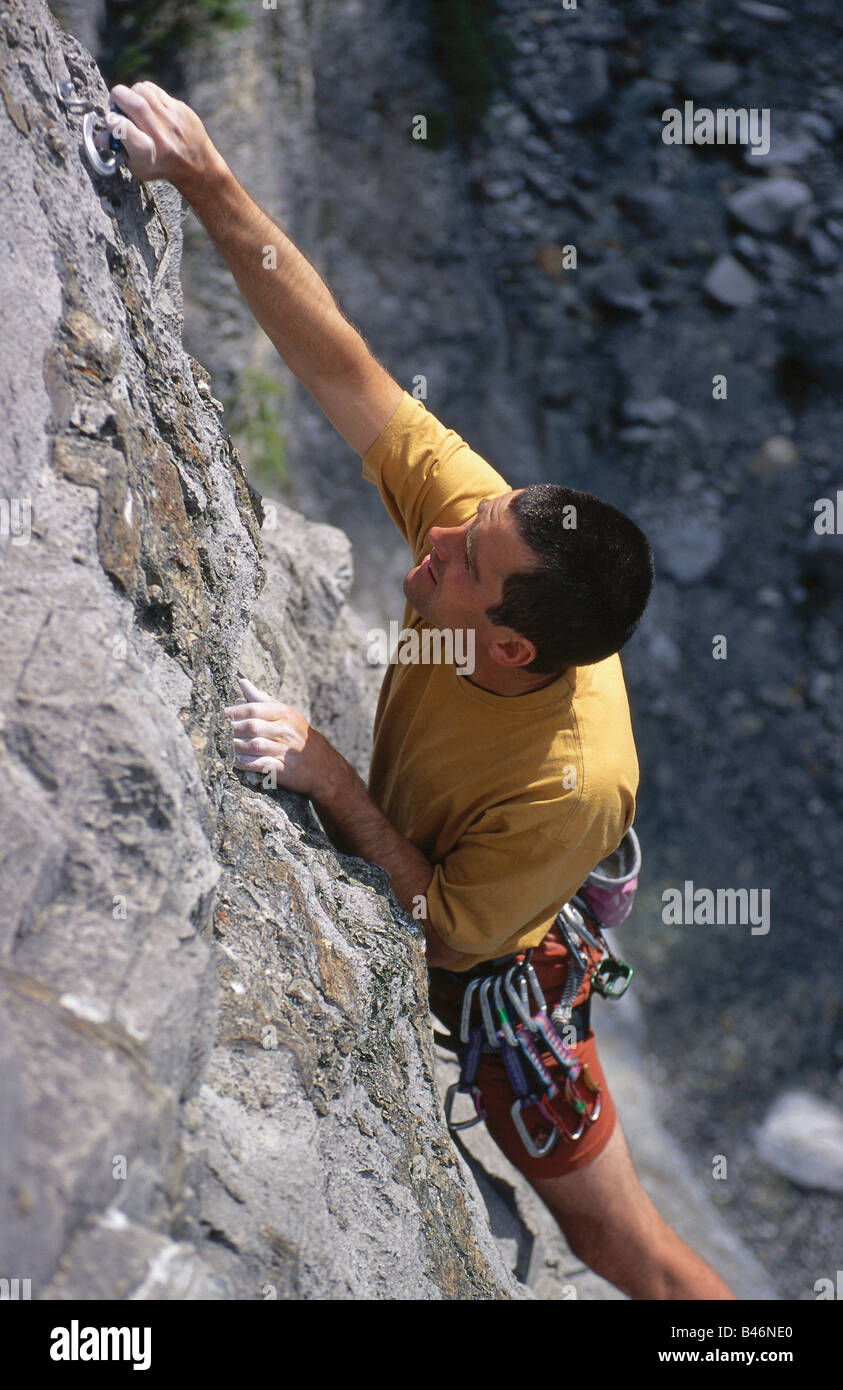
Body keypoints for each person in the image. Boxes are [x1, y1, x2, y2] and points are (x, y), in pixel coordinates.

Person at [107, 81, 735, 1300]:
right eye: (470, 521)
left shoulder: (574, 778)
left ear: (511, 646)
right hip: (486, 859)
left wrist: (327, 776)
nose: (437, 539)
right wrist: (207, 177)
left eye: (465, 563)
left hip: (510, 952)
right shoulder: (481, 526)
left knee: (631, 1256)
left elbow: (450, 932)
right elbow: (341, 363)